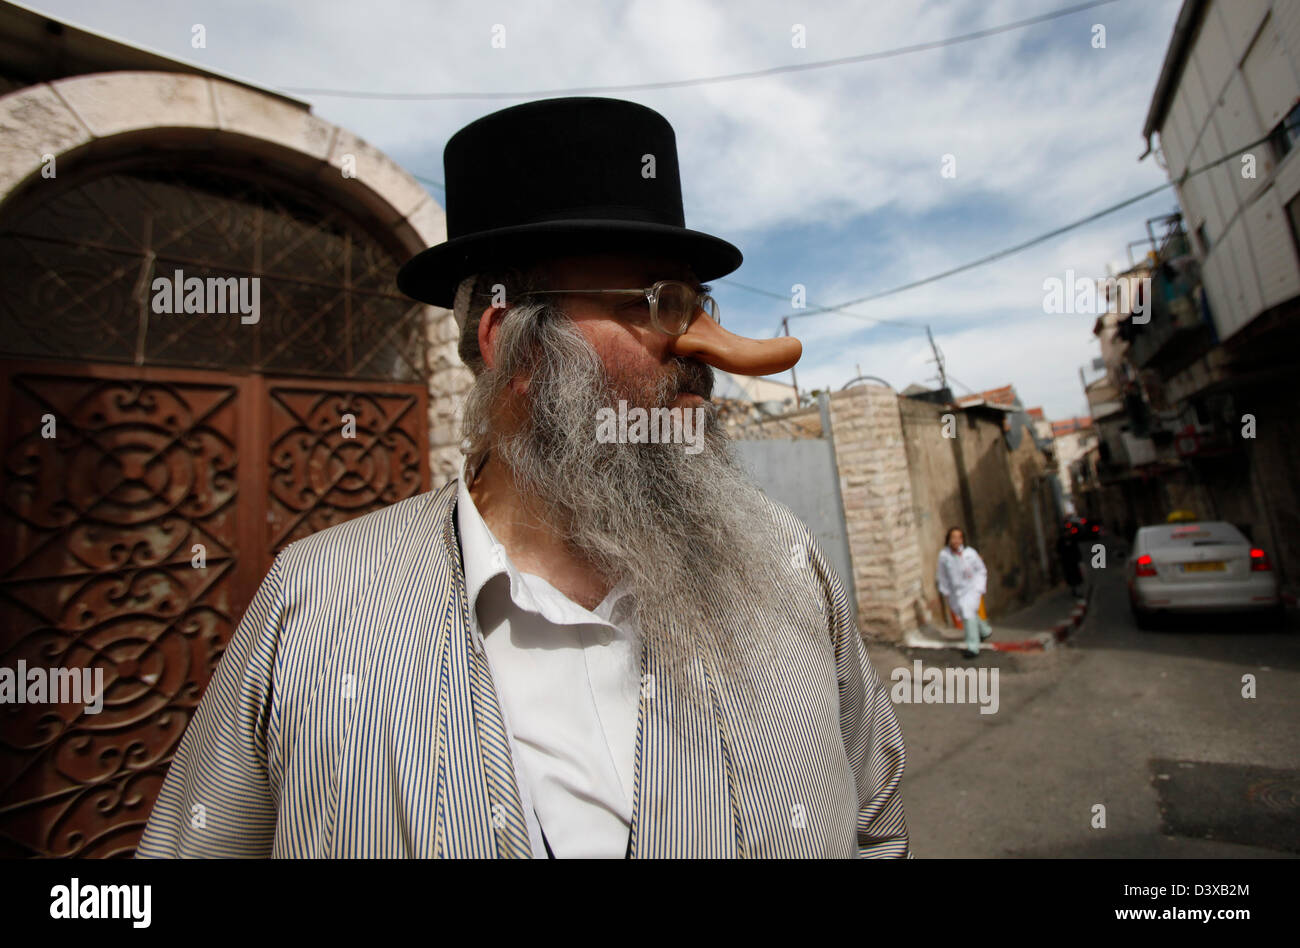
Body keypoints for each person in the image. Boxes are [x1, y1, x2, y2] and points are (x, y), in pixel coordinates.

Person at [135, 97, 909, 859]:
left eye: (700, 303)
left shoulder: (785, 566)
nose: (713, 349)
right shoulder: (318, 599)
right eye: (661, 304)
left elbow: (876, 830)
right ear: (518, 349)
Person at [936, 527, 991, 659]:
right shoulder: (944, 556)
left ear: (962, 539)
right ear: (949, 539)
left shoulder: (970, 553)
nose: (955, 540)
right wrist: (945, 591)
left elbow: (981, 570)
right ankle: (985, 631)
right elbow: (942, 575)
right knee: (966, 613)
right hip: (956, 592)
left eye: (958, 537)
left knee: (968, 613)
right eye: (953, 537)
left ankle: (973, 647)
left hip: (971, 589)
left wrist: (979, 587)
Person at [1056, 527, 1085, 596]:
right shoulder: (1061, 541)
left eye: (1067, 532)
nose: (1067, 534)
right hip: (1067, 562)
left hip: (1074, 561)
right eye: (1065, 532)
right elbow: (1059, 551)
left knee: (1077, 576)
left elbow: (1076, 549)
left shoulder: (1072, 539)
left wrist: (1079, 558)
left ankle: (1078, 590)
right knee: (1070, 577)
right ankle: (1074, 590)